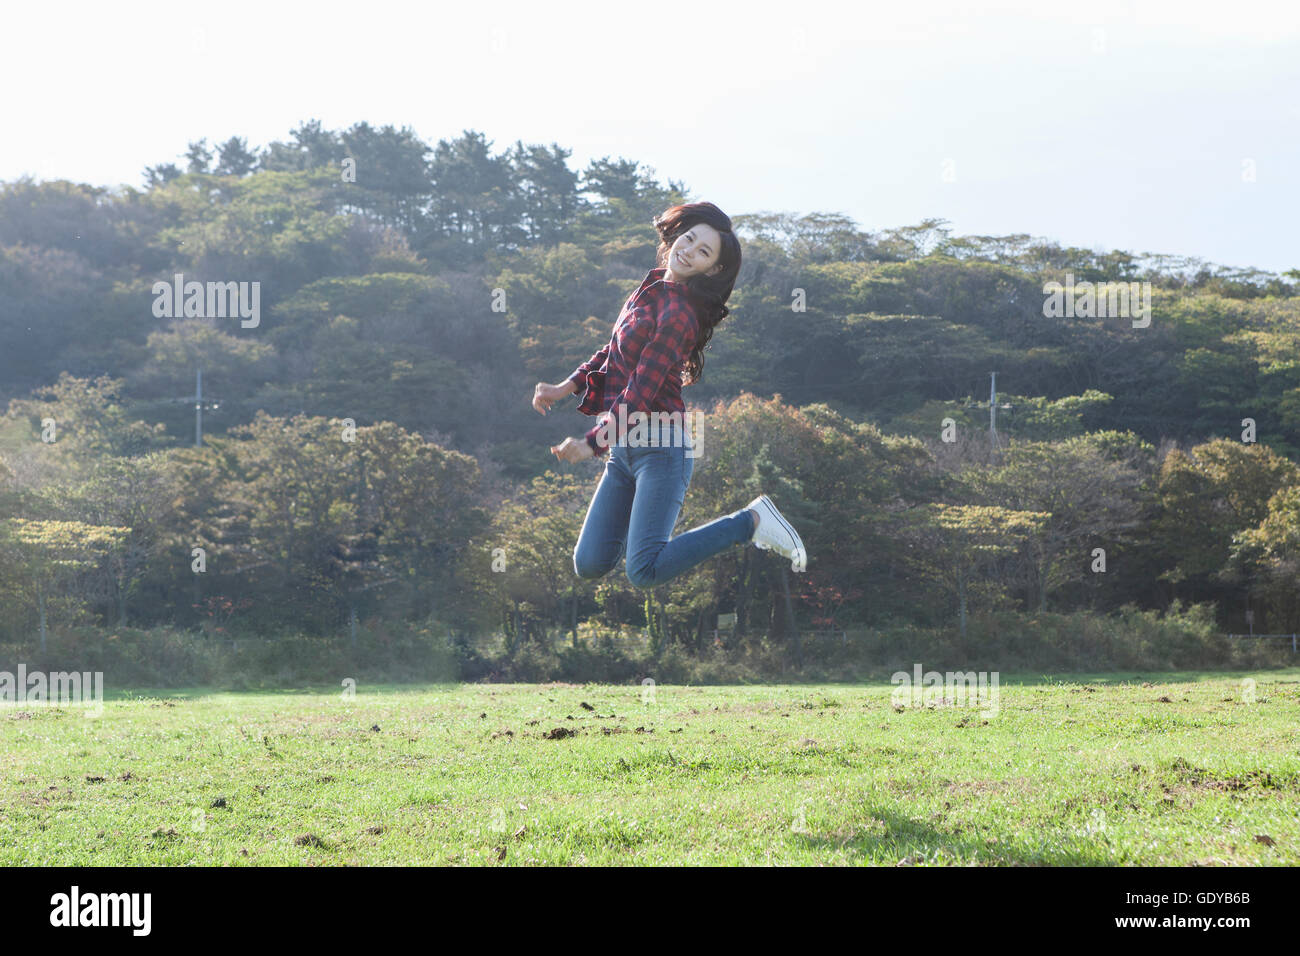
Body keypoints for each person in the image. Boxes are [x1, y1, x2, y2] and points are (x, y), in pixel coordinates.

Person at [531, 201, 806, 589]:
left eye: (703, 252)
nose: (689, 251)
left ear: (712, 269)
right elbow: (611, 352)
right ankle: (649, 526)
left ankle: (751, 522)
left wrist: (590, 443)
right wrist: (564, 387)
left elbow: (640, 392)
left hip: (661, 450)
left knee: (644, 570)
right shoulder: (651, 287)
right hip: (624, 450)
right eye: (689, 239)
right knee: (589, 563)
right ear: (677, 235)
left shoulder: (679, 314)